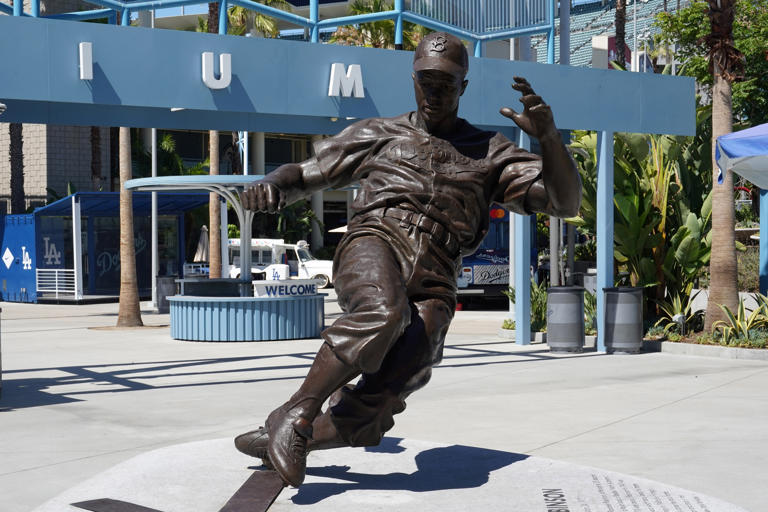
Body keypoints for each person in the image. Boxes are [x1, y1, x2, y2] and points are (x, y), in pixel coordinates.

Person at [235, 31, 581, 488]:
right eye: (426, 82)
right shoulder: (378, 134)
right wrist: (273, 184)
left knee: (385, 398)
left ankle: (285, 436)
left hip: (438, 270)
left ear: (464, 87)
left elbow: (564, 202)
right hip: (377, 238)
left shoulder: (492, 151)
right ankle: (296, 413)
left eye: (446, 83)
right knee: (384, 312)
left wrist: (551, 140)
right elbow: (304, 172)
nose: (434, 92)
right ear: (413, 81)